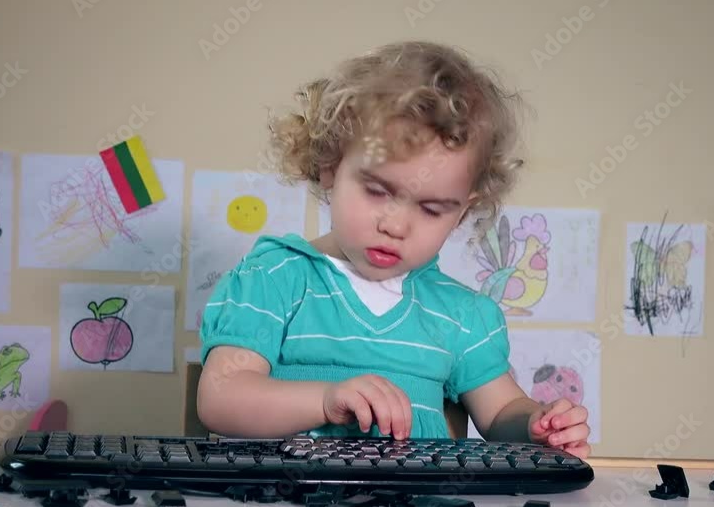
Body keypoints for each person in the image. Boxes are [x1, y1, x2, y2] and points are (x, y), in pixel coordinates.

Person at [197, 40, 591, 458]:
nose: (396, 225)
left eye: (432, 208)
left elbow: (501, 414)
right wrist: (326, 399)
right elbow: (221, 399)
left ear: (462, 211)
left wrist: (537, 425)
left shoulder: (461, 316)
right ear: (331, 165)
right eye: (377, 191)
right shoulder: (274, 279)